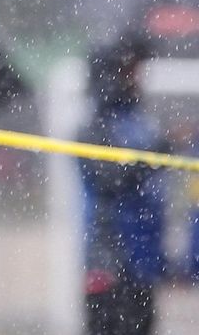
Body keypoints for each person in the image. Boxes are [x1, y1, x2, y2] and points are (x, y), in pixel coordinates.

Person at [79, 35, 168, 335]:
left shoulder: (139, 120)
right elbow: (111, 179)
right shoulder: (94, 126)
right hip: (109, 265)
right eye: (128, 71)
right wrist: (157, 155)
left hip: (142, 265)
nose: (136, 79)